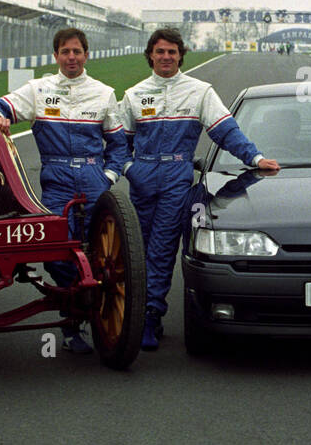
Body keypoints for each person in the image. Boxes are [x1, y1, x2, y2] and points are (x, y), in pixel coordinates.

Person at [117, 28, 280, 350]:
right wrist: (129, 170)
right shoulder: (134, 94)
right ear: (150, 55)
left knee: (162, 248)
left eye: (172, 52)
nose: (166, 57)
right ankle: (138, 313)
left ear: (181, 56)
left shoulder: (199, 91)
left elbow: (226, 131)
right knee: (136, 249)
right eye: (160, 51)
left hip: (176, 175)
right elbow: (118, 142)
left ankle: (150, 315)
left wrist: (255, 158)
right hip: (142, 176)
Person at [0, 27, 129, 354]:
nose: (71, 58)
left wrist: (107, 177)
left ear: (86, 55)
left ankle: (90, 322)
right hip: (56, 179)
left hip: (93, 177)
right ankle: (75, 315)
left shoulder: (104, 93)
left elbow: (119, 145)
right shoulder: (38, 89)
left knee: (99, 253)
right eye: (65, 52)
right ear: (56, 56)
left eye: (77, 51)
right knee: (57, 251)